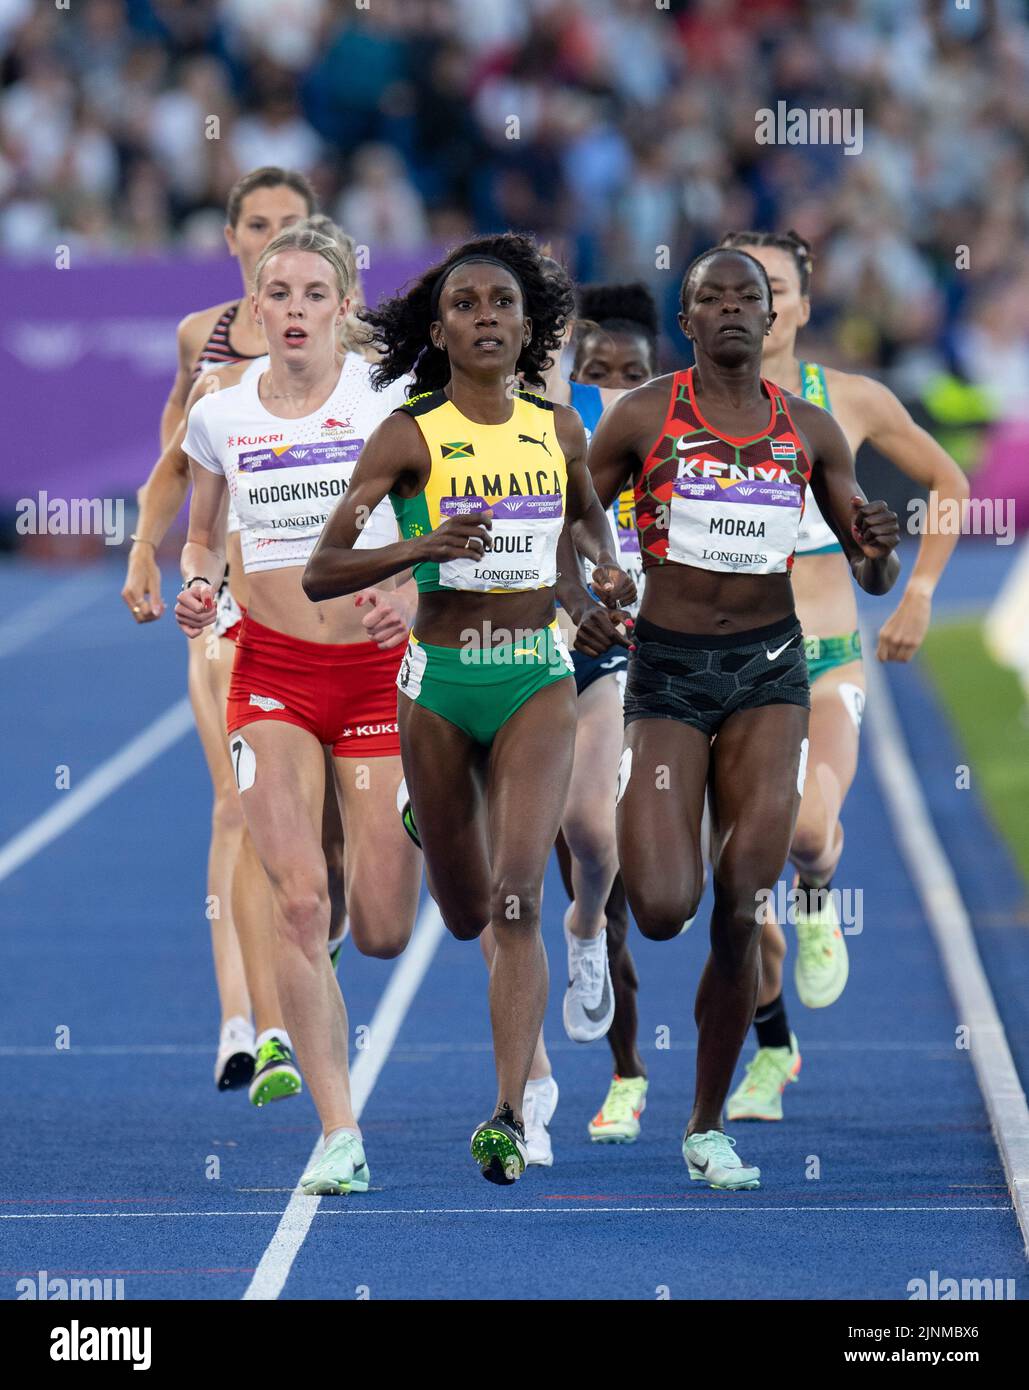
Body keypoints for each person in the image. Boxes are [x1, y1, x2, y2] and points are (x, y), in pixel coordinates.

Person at [303, 233, 635, 1185]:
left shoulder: (558, 427)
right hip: (439, 689)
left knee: (518, 898)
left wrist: (595, 589)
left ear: (528, 327)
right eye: (465, 305)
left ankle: (506, 1114)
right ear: (440, 329)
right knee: (458, 913)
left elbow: (579, 532)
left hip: (534, 677)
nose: (484, 318)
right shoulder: (408, 434)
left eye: (501, 304)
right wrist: (421, 549)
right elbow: (323, 570)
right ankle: (430, 811)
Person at [580, 245, 900, 1189]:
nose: (728, 309)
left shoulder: (808, 431)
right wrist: (582, 592)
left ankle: (706, 1124)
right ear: (686, 320)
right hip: (668, 676)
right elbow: (563, 514)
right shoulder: (644, 415)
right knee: (663, 905)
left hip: (769, 674)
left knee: (737, 900)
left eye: (745, 298)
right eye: (709, 296)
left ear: (769, 321)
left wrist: (880, 552)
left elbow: (867, 562)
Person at [176, 224, 422, 1196]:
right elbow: (200, 540)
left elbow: (429, 522)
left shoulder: (387, 402)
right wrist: (198, 587)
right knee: (299, 897)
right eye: (276, 292)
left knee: (381, 926)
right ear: (255, 304)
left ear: (344, 306)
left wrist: (407, 590)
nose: (291, 310)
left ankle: (369, 874)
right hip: (271, 672)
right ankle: (338, 1131)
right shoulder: (220, 411)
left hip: (372, 675)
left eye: (313, 294)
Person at [716, 231, 968, 1123]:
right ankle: (770, 1049)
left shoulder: (848, 401)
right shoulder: (679, 406)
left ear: (803, 304)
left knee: (809, 830)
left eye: (774, 287)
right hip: (714, 672)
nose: (758, 303)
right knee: (735, 893)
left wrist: (920, 597)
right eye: (740, 288)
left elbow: (948, 480)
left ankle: (819, 893)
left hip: (822, 657)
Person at [122, 167, 316, 1095]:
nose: (274, 236)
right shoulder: (203, 339)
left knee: (315, 823)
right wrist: (143, 553)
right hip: (228, 594)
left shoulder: (342, 335)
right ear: (233, 238)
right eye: (258, 225)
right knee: (236, 803)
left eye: (293, 225)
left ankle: (298, 972)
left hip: (321, 599)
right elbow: (176, 458)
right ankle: (245, 1021)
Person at [554, 281, 662, 1145]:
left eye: (632, 371)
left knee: (702, 886)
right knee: (595, 856)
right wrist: (574, 606)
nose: (614, 385)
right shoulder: (557, 435)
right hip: (584, 658)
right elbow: (544, 542)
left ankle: (770, 1022)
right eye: (597, 369)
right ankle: (626, 1072)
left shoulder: (683, 432)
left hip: (681, 667)